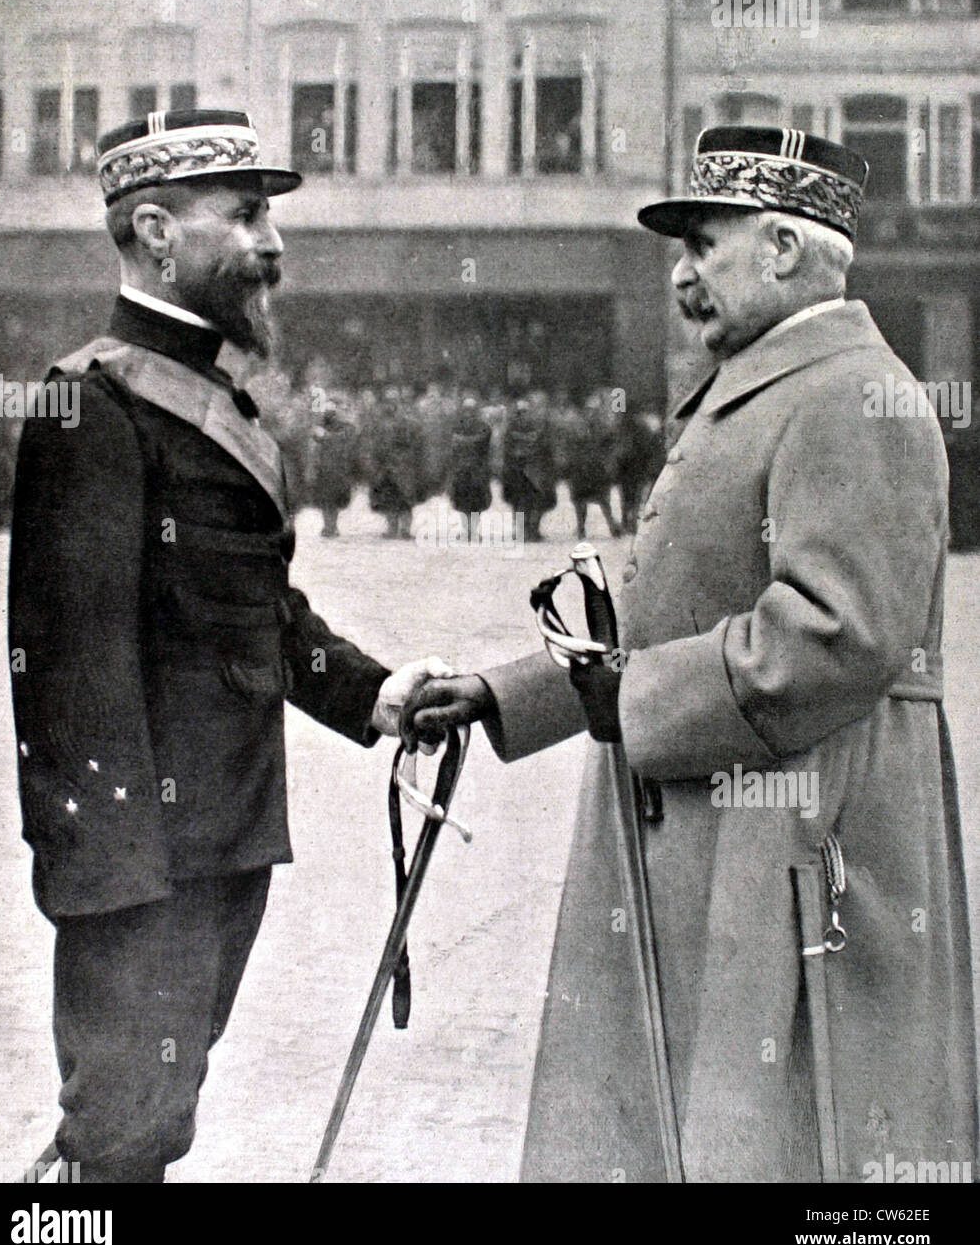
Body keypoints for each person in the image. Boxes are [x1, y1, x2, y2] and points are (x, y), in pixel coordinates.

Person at [403, 125, 978, 1182]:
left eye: (701, 248)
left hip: (802, 839)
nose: (677, 277)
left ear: (784, 249)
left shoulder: (855, 395)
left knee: (793, 1144)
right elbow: (659, 615)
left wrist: (638, 698)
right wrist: (501, 697)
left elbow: (835, 636)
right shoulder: (765, 387)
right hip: (728, 835)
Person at [8, 108, 449, 1183]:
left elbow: (254, 613)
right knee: (119, 1134)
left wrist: (377, 695)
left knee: (147, 1129)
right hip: (141, 869)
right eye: (245, 215)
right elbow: (71, 682)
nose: (273, 243)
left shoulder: (218, 398)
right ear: (155, 230)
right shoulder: (92, 401)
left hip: (225, 842)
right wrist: (112, 888)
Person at [368, 387, 429, 538]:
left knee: (405, 500)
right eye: (388, 401)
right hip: (387, 465)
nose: (391, 405)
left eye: (393, 401)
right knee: (389, 499)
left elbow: (418, 440)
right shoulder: (380, 420)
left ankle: (405, 530)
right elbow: (376, 442)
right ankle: (392, 529)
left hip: (404, 465)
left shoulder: (408, 420)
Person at [565, 393, 622, 540]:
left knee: (604, 501)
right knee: (580, 502)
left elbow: (611, 447)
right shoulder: (577, 427)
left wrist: (607, 463)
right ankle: (581, 528)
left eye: (594, 411)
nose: (592, 414)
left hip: (597, 469)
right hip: (581, 469)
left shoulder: (604, 428)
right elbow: (571, 446)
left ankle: (612, 526)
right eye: (589, 410)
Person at [500, 398, 556, 543]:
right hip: (516, 469)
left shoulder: (538, 428)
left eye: (525, 412)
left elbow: (545, 447)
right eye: (520, 413)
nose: (523, 416)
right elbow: (507, 448)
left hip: (534, 469)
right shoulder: (510, 429)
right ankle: (521, 530)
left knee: (537, 500)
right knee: (517, 501)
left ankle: (534, 529)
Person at [305, 396, 356, 537]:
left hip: (339, 466)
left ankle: (331, 526)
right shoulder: (322, 423)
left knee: (334, 498)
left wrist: (325, 436)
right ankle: (329, 527)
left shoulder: (347, 425)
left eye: (332, 408)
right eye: (327, 408)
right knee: (326, 498)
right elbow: (314, 438)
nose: (329, 411)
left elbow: (346, 438)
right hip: (324, 466)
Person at [448, 396, 492, 541]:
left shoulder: (484, 426)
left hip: (477, 469)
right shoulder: (456, 425)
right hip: (460, 469)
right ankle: (465, 530)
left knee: (477, 501)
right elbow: (451, 442)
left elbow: (481, 440)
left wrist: (461, 440)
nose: (469, 412)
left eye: (472, 409)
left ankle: (473, 531)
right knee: (461, 501)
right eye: (466, 409)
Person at [616, 409, 664, 535]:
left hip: (629, 468)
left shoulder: (625, 430)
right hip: (635, 468)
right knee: (635, 497)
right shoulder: (643, 430)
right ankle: (630, 523)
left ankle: (627, 522)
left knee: (627, 497)